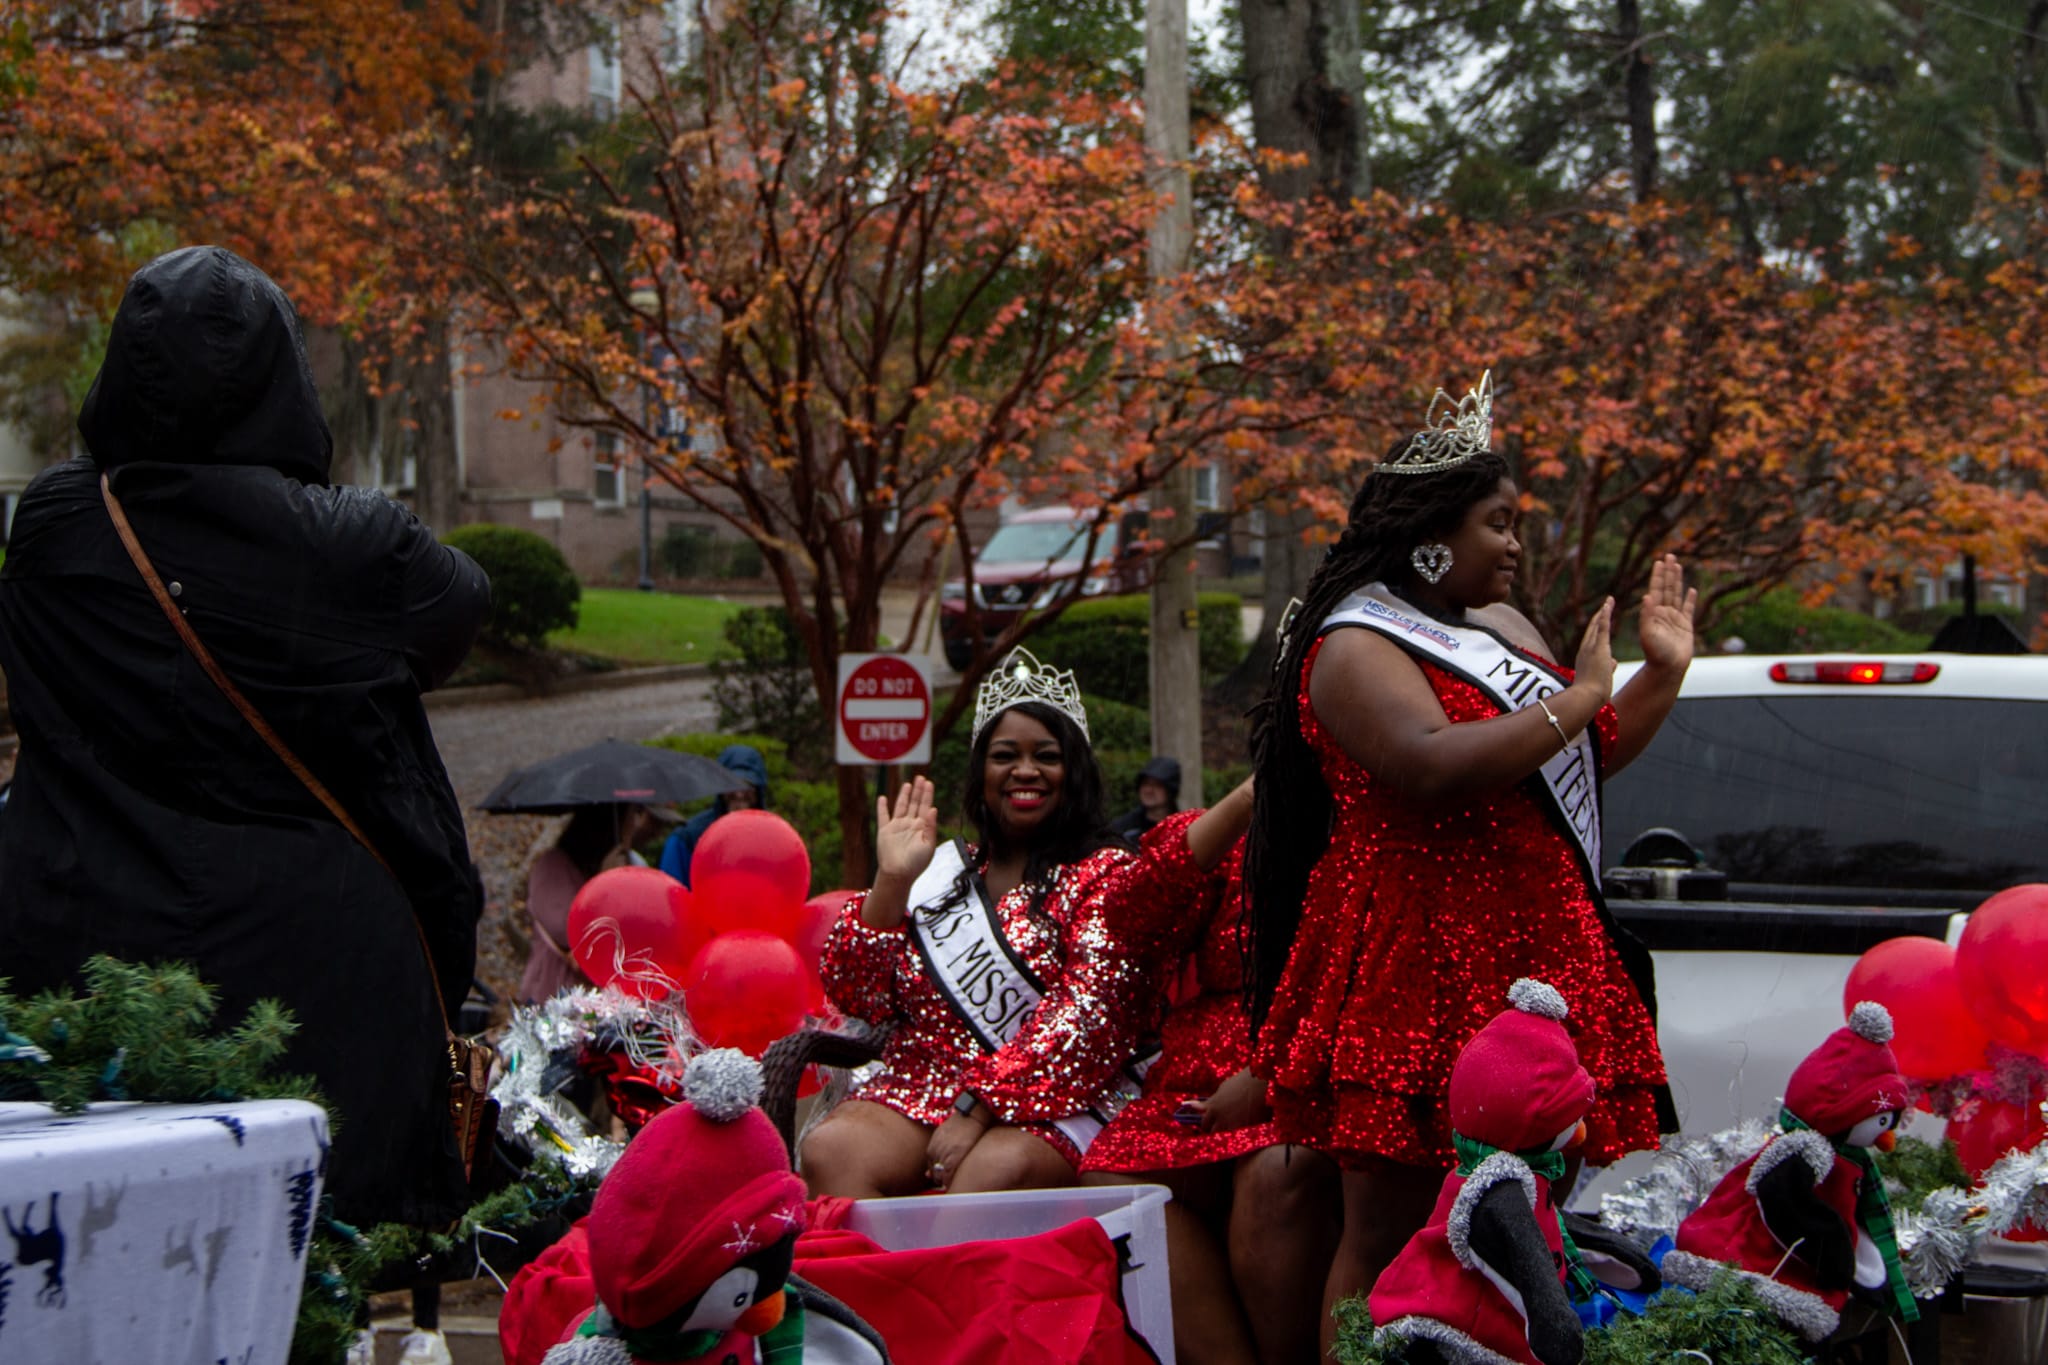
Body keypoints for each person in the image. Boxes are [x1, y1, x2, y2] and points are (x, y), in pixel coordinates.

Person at [0, 247, 490, 1227]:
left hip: (75, 960)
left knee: (82, 1261)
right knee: (313, 1267)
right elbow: (458, 611)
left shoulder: (56, 523)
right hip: (317, 988)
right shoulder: (350, 543)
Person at [1241, 371, 1696, 1341]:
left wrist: (1659, 674)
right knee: (1390, 1225)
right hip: (1414, 955)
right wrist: (1575, 697)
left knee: (1529, 1217)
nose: (1515, 546)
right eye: (1498, 523)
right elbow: (1430, 764)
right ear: (1432, 534)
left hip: (1532, 956)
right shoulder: (1353, 642)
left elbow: (1587, 748)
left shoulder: (1501, 631)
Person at [801, 648, 1145, 1197]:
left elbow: (1088, 1018)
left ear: (1073, 770)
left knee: (986, 1175)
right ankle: (874, 1285)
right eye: (1005, 755)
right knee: (832, 1150)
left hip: (1057, 1099)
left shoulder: (1108, 875)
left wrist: (979, 1108)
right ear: (982, 772)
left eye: (1047, 756)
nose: (1025, 771)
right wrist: (891, 882)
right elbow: (856, 993)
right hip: (924, 1086)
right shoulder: (940, 869)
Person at [1083, 780, 1341, 1365]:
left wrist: (1273, 1074)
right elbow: (1129, 920)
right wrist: (1248, 801)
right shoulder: (1233, 832)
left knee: (1277, 1173)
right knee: (1111, 1187)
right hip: (1195, 1078)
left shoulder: (1381, 834)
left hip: (1323, 1070)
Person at [520, 803, 662, 1003]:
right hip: (555, 997)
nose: (635, 824)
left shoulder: (629, 862)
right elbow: (571, 932)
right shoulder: (553, 865)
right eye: (632, 815)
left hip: (608, 1000)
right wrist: (606, 884)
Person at [658, 744, 767, 886]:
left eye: (748, 786)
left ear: (759, 793)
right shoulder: (688, 838)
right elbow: (670, 892)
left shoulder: (774, 840)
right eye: (732, 785)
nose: (739, 794)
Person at [1109, 755, 1182, 844]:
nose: (1149, 790)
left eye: (1157, 785)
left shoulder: (1181, 829)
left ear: (1170, 791)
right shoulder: (1123, 829)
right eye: (1145, 784)